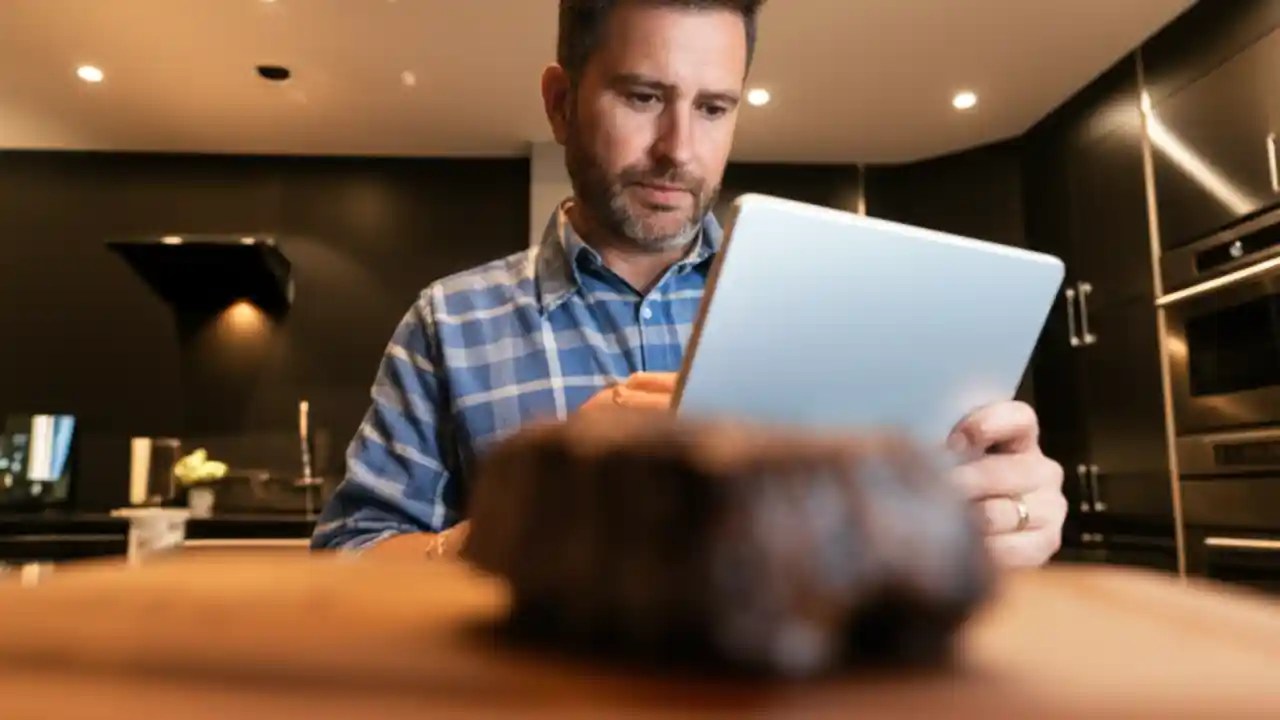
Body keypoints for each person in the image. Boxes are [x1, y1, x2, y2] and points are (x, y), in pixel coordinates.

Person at [311, 0, 1067, 568]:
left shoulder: (839, 313)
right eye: (644, 97)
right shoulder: (448, 322)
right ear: (561, 103)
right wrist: (529, 522)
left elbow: (891, 554)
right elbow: (347, 561)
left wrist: (1004, 517)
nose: (679, 149)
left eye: (712, 108)